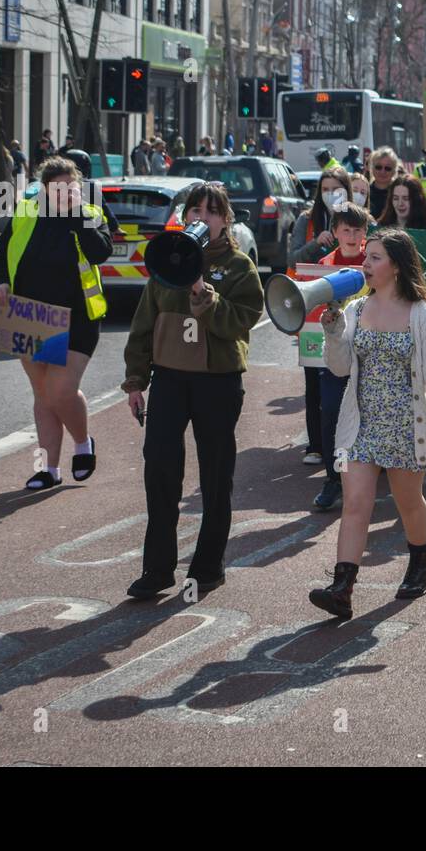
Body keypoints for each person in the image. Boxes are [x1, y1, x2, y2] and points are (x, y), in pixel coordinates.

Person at [122, 182, 264, 599]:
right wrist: (136, 380)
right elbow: (143, 326)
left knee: (215, 474)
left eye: (212, 210)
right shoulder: (168, 260)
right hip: (169, 379)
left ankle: (207, 566)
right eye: (195, 210)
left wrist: (204, 292)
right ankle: (157, 569)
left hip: (216, 381)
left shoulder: (240, 268)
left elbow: (237, 325)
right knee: (160, 469)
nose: (203, 217)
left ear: (226, 219)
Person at [311, 229, 426, 618]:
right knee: (356, 503)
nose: (366, 264)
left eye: (375, 257)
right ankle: (342, 589)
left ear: (396, 265)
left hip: (405, 425)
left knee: (407, 503)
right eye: (366, 256)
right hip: (361, 424)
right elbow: (340, 366)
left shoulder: (422, 314)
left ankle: (419, 565)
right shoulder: (357, 310)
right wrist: (332, 331)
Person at [0, 156, 112, 489]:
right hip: (31, 315)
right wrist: (1, 281)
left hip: (78, 318)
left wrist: (77, 217)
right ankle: (48, 469)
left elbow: (101, 252)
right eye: (57, 189)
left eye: (70, 188)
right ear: (43, 190)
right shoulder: (27, 213)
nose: (64, 194)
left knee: (61, 391)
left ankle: (84, 444)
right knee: (43, 395)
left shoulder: (90, 214)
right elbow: (1, 253)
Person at [290, 167, 356, 467]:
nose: (332, 194)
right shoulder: (306, 220)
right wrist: (317, 242)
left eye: (337, 188)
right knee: (314, 378)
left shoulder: (356, 218)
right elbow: (291, 258)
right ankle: (316, 444)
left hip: (351, 313)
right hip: (315, 313)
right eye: (326, 189)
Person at [310, 203, 370, 511]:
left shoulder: (373, 264)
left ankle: (368, 473)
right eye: (345, 229)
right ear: (334, 233)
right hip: (335, 356)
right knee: (331, 414)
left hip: (369, 358)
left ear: (365, 234)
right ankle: (334, 479)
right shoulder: (323, 264)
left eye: (357, 229)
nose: (351, 235)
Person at [366, 147, 400, 219]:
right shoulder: (365, 191)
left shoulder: (400, 193)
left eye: (387, 168)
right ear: (372, 168)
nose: (382, 171)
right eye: (378, 167)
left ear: (394, 171)